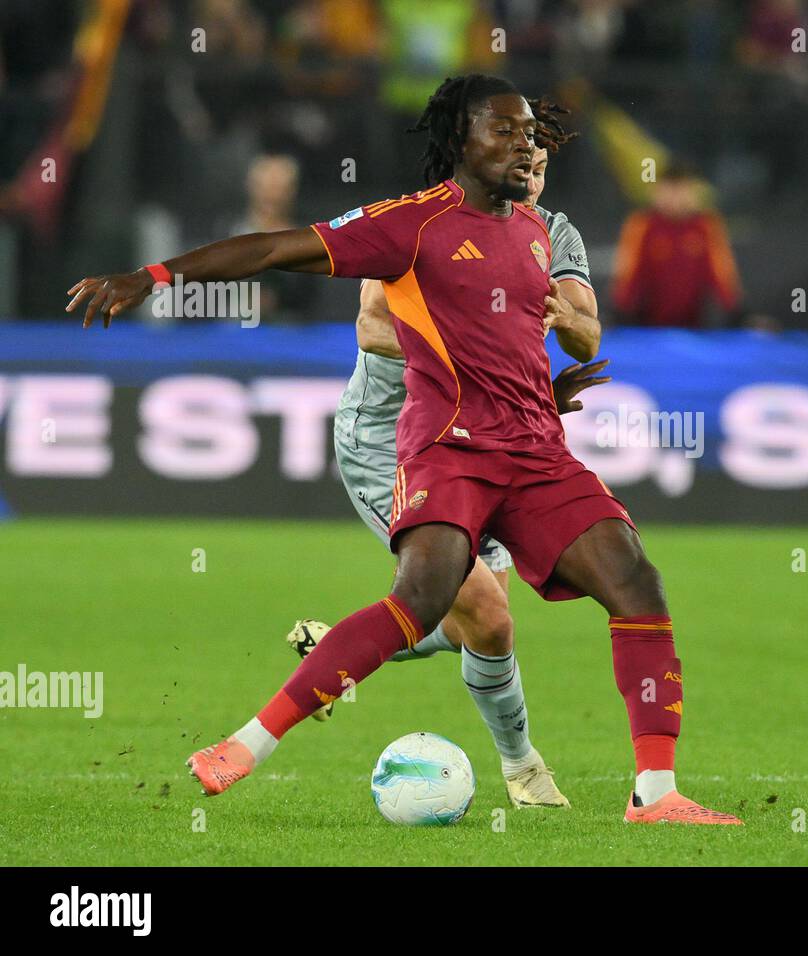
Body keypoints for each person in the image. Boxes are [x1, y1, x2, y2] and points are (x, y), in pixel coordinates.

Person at [67, 72, 740, 825]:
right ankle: (244, 745)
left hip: (535, 451)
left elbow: (509, 346)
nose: (525, 147)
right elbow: (273, 249)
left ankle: (654, 794)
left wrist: (540, 394)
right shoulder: (412, 225)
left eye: (531, 135)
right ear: (461, 141)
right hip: (447, 450)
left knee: (636, 582)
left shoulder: (537, 232)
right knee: (423, 602)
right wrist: (155, 276)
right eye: (506, 132)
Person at [295, 131, 607, 812]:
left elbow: (587, 331)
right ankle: (525, 773)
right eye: (519, 165)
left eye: (542, 168)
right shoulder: (422, 221)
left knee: (482, 627)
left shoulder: (552, 232)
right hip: (392, 441)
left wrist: (564, 324)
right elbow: (373, 329)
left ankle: (337, 654)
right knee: (486, 613)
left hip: (484, 441)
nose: (531, 179)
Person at [611, 160, 742, 328]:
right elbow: (628, 277)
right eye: (669, 190)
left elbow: (722, 276)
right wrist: (617, 314)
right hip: (647, 327)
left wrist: (740, 315)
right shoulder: (642, 225)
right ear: (656, 192)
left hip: (695, 328)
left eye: (681, 190)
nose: (675, 198)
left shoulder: (706, 226)